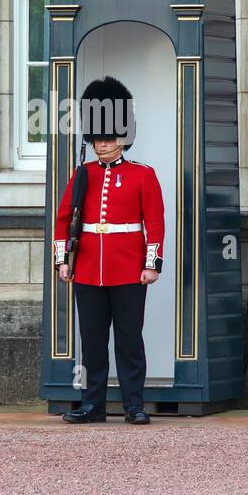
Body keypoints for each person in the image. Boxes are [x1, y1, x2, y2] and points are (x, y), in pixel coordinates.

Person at [53, 76, 165, 425]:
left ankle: (134, 405)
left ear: (122, 139)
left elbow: (155, 223)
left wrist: (152, 264)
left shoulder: (142, 175)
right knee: (92, 342)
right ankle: (92, 404)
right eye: (97, 138)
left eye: (107, 138)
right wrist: (63, 260)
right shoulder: (82, 174)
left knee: (129, 341)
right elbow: (63, 219)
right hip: (88, 268)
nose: (101, 144)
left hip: (129, 268)